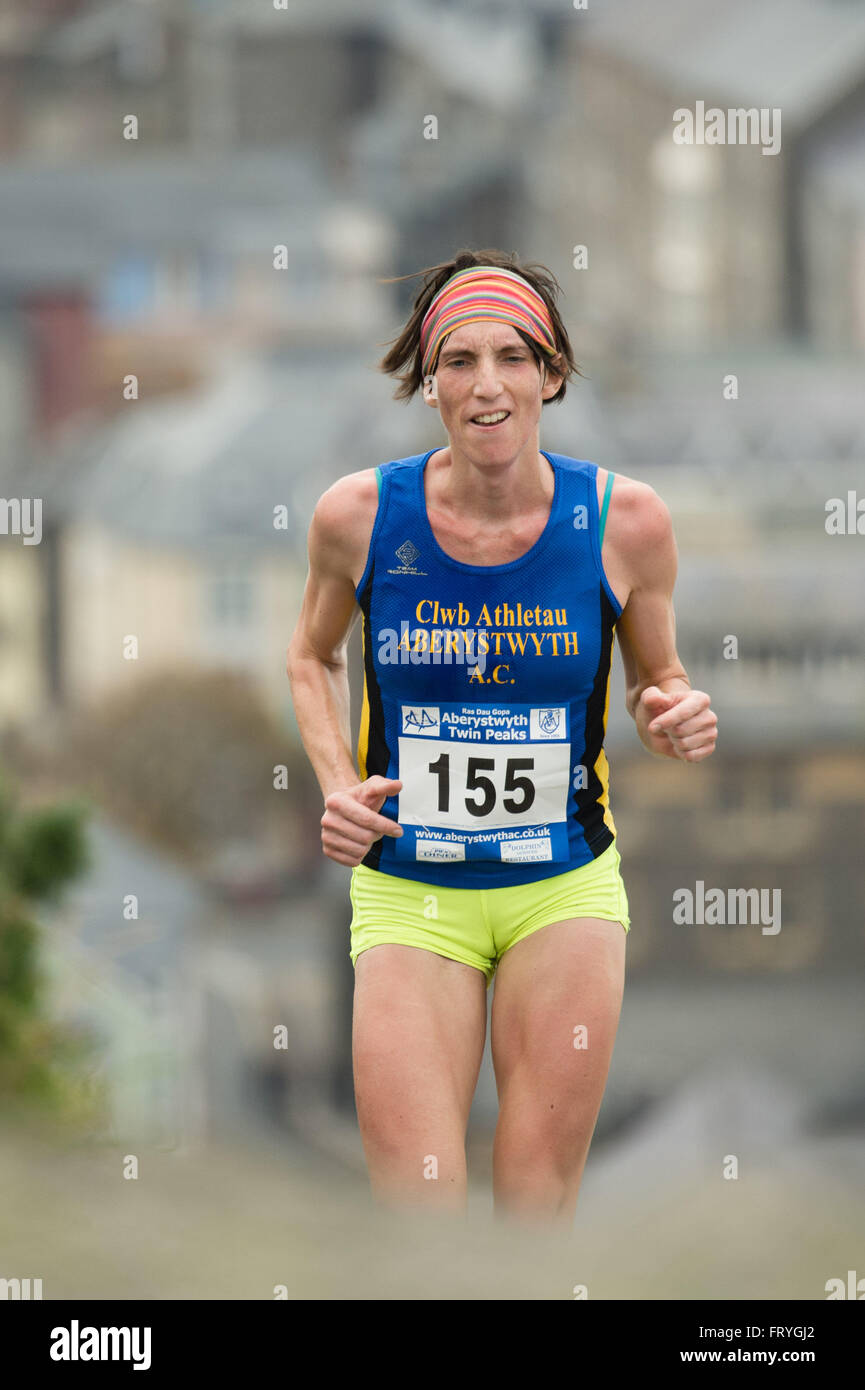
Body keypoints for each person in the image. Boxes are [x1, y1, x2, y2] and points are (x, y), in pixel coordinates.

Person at [286, 248, 718, 1223]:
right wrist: (335, 783)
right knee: (423, 1218)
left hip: (560, 890)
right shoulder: (359, 517)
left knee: (531, 1211)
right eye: (460, 360)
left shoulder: (626, 522)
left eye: (514, 357)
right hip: (411, 893)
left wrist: (674, 715)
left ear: (552, 375)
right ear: (427, 382)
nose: (487, 385)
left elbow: (661, 681)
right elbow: (309, 658)